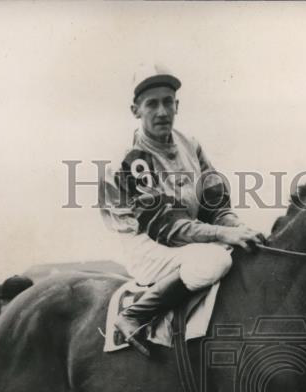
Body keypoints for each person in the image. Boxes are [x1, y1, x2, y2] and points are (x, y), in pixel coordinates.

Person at [98, 64, 264, 357]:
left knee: (247, 249)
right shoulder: (134, 160)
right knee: (215, 261)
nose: (162, 111)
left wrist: (237, 229)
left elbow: (216, 204)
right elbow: (167, 227)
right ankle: (135, 314)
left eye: (167, 102)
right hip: (148, 243)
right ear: (135, 110)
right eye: (152, 104)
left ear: (177, 105)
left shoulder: (192, 145)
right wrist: (225, 234)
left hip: (188, 237)